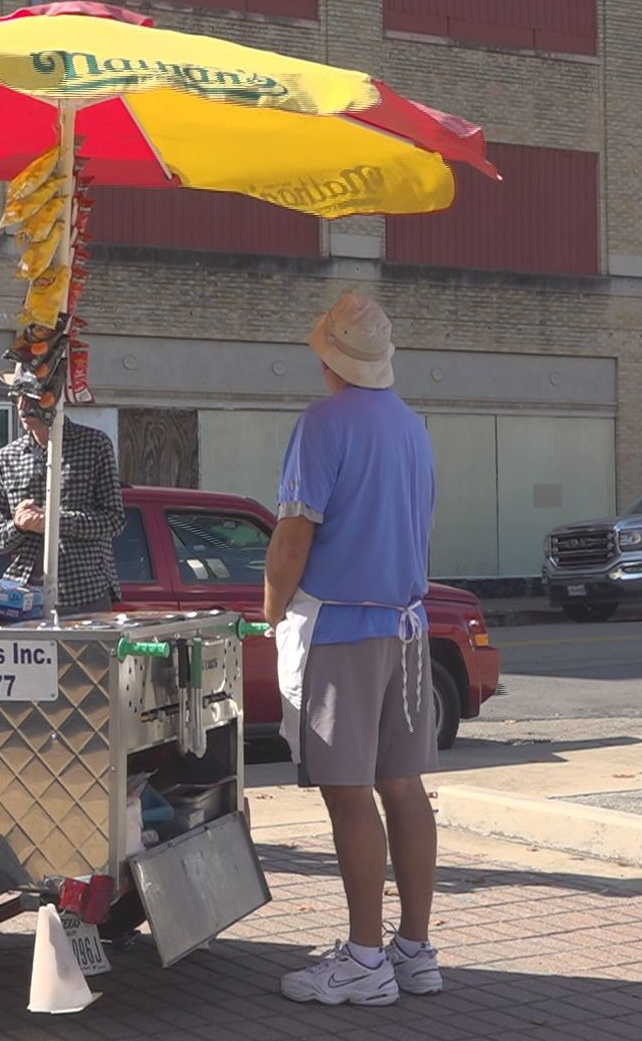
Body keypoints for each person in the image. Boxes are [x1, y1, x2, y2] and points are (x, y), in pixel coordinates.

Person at [264, 292, 441, 1008]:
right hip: (409, 625)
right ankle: (414, 950)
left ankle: (364, 958)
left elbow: (294, 534)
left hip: (340, 626)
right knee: (403, 786)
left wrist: (272, 611)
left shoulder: (322, 423)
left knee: (348, 794)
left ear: (328, 357)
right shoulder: (412, 427)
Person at [0, 379, 124, 616]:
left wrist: (54, 522)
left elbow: (114, 520)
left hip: (83, 591)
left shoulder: (94, 445)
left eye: (31, 398)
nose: (21, 406)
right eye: (16, 398)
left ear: (55, 399)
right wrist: (19, 525)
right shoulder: (7, 458)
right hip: (22, 594)